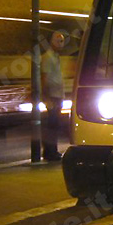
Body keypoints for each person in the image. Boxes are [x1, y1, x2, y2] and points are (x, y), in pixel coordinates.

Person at [41, 30, 67, 161]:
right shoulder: (48, 58)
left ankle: (52, 150)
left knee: (54, 124)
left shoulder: (55, 57)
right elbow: (44, 78)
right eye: (59, 41)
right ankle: (49, 152)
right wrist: (46, 96)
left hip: (57, 94)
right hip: (52, 95)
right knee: (51, 124)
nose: (61, 45)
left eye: (62, 41)